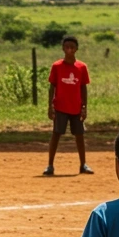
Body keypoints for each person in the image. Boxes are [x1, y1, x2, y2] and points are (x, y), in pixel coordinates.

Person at [44, 35, 92, 176]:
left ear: (76, 49)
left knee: (79, 135)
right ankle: (50, 165)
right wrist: (50, 106)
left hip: (76, 107)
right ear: (63, 48)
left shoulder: (81, 67)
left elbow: (83, 87)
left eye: (72, 47)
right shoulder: (57, 66)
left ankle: (83, 165)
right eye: (67, 47)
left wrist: (84, 107)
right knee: (56, 134)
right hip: (60, 107)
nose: (70, 49)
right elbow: (52, 87)